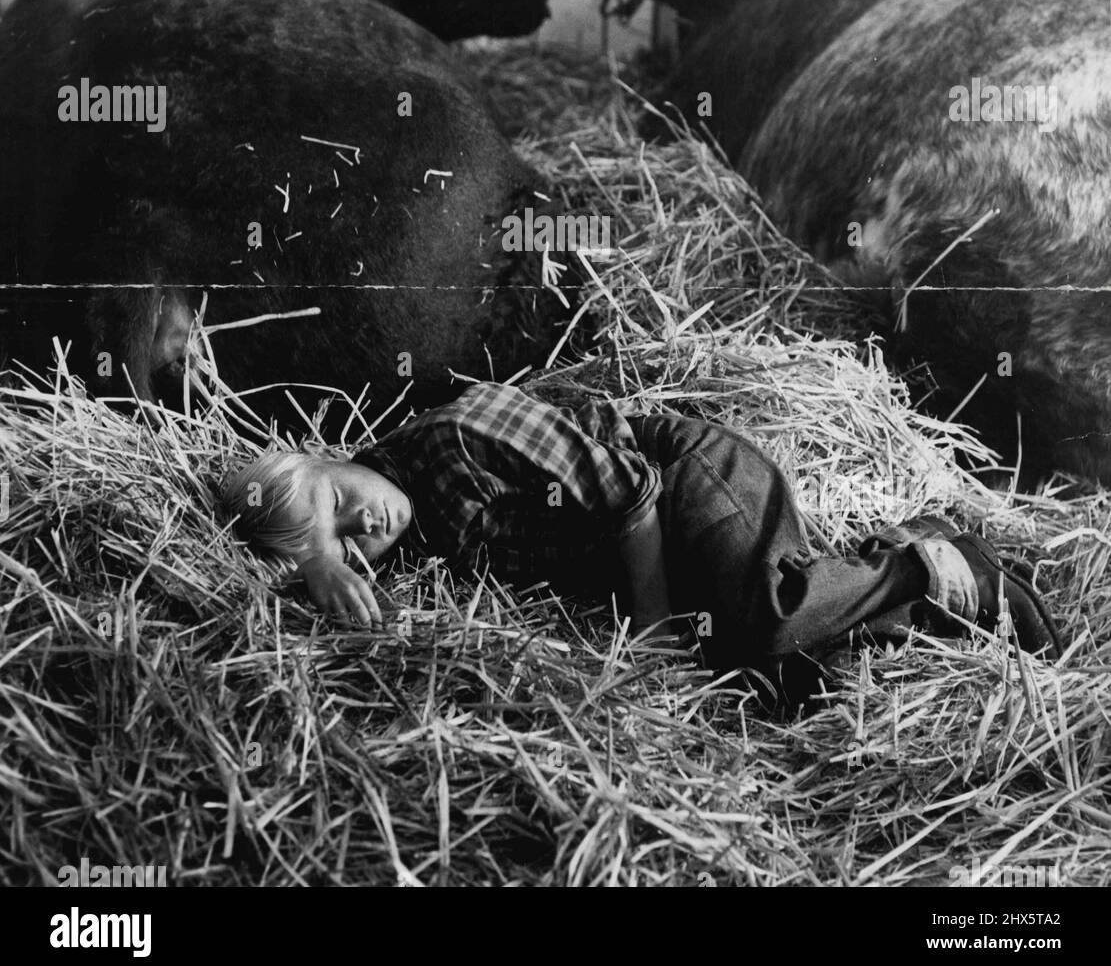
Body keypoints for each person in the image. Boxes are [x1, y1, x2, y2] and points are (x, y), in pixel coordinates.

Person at [221, 382, 1060, 697]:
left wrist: (654, 639)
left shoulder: (453, 436)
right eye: (347, 544)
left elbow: (631, 497)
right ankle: (887, 571)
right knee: (772, 679)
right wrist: (321, 561)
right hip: (672, 548)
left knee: (765, 621)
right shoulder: (418, 536)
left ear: (334, 452)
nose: (363, 525)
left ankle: (933, 564)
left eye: (339, 499)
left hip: (691, 476)